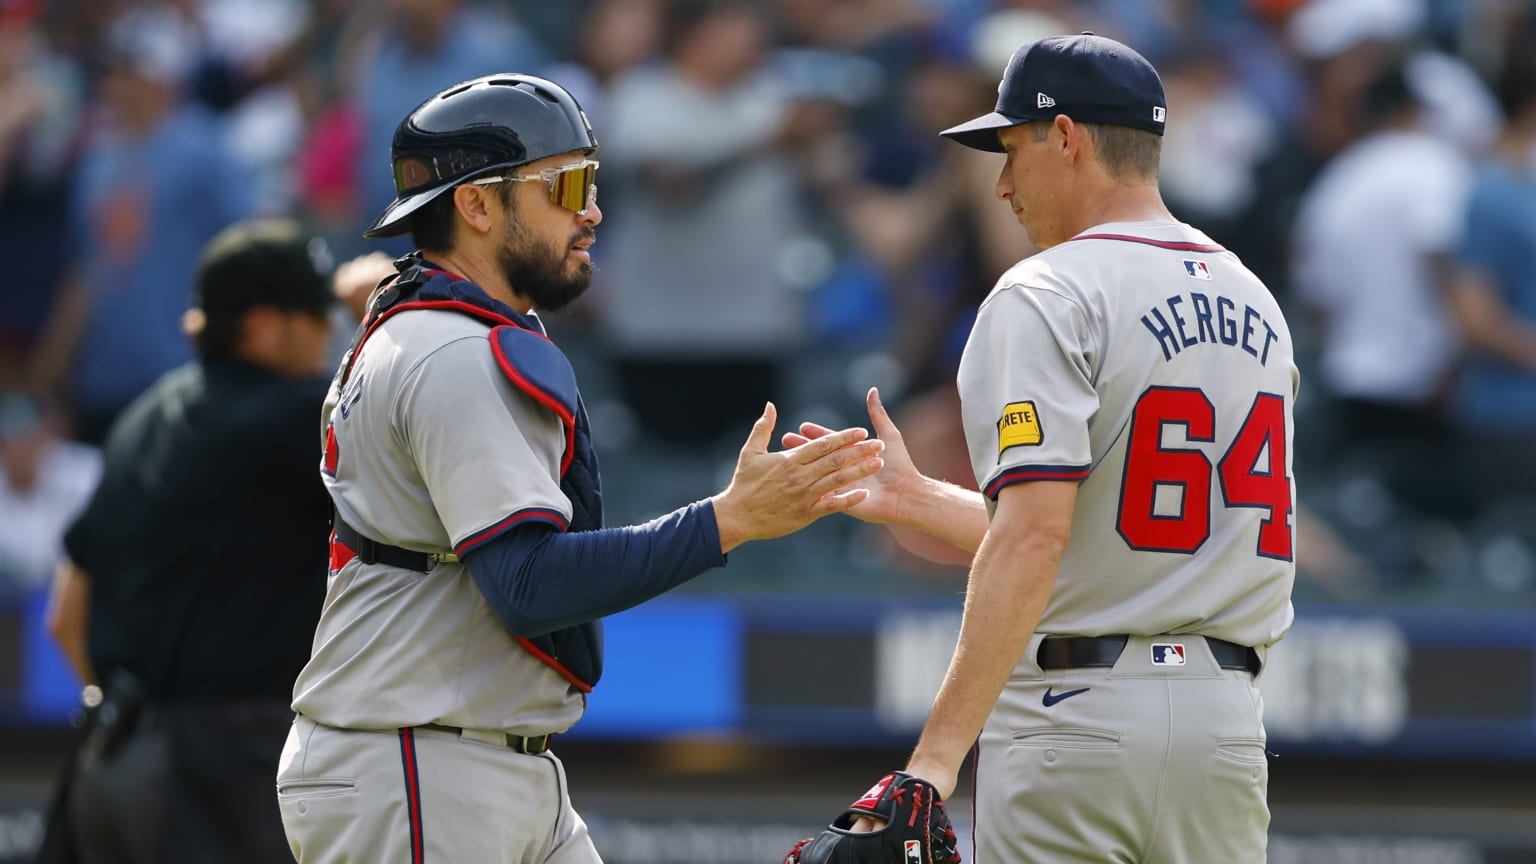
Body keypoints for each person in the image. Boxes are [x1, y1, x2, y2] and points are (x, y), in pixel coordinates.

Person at [276, 73, 885, 863]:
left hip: (467, 753)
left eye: (591, 182)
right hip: (418, 760)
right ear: (478, 205)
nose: (591, 209)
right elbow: (527, 585)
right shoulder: (452, 350)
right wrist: (730, 519)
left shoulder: (426, 323)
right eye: (565, 184)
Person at [786, 34, 1297, 862]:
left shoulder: (1047, 289)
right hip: (1225, 731)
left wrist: (932, 762)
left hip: (1079, 720)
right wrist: (926, 503)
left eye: (1013, 149)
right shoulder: (1255, 297)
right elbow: (1108, 537)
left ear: (1067, 140)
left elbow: (1036, 536)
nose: (1001, 182)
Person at [41, 219, 340, 863]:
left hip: (112, 759)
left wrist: (144, 726)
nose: (328, 334)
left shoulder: (142, 419)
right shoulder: (299, 416)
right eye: (317, 317)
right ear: (262, 325)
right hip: (229, 774)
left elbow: (65, 617)